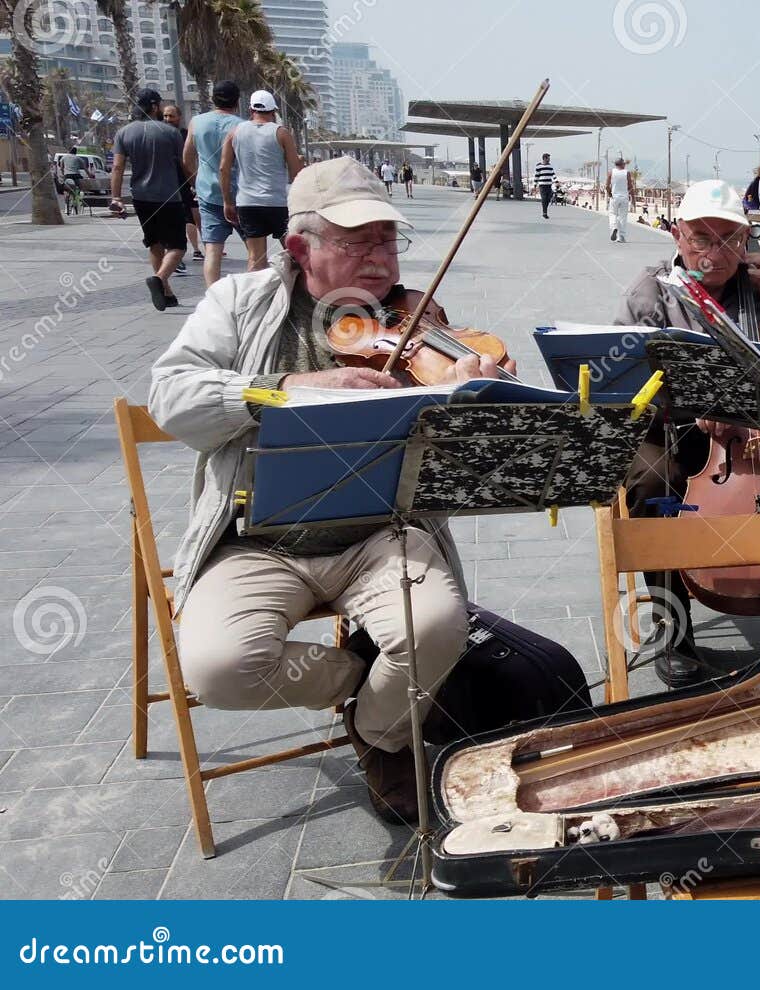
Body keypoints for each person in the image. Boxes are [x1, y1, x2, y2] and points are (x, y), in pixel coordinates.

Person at [147, 158, 506, 823]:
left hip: (380, 531)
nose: (380, 258)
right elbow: (170, 397)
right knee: (219, 668)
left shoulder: (416, 319)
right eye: (356, 241)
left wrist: (475, 398)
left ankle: (382, 733)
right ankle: (364, 689)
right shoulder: (239, 303)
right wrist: (282, 391)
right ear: (298, 248)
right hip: (258, 537)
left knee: (437, 625)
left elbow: (462, 467)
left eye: (388, 240)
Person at [613, 180, 760, 688]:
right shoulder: (650, 293)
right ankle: (674, 626)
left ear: (748, 240)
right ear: (676, 235)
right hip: (679, 432)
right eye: (701, 239)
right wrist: (689, 407)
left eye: (730, 241)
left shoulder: (759, 290)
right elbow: (623, 391)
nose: (715, 255)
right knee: (645, 477)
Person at [111, 88, 192, 312]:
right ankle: (160, 278)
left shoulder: (124, 133)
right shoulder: (170, 133)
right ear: (155, 107)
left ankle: (166, 292)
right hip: (169, 197)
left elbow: (117, 167)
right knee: (177, 246)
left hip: (141, 198)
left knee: (154, 243)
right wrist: (193, 184)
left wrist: (116, 197)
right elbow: (184, 164)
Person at [220, 90, 304, 272]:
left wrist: (227, 201)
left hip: (247, 203)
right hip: (277, 203)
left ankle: (254, 299)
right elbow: (295, 172)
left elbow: (223, 169)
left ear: (251, 109)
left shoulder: (235, 133)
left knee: (255, 259)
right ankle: (298, 295)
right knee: (296, 254)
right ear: (273, 111)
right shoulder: (281, 133)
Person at [185, 81, 243, 287]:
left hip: (208, 193)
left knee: (212, 250)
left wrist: (196, 182)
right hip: (239, 195)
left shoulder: (196, 122)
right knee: (255, 249)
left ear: (212, 99)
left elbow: (187, 158)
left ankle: (213, 297)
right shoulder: (241, 125)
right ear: (237, 101)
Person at [162, 103, 203, 273]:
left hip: (184, 182)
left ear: (179, 117)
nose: (168, 119)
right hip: (166, 185)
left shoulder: (185, 135)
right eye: (165, 116)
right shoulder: (160, 134)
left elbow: (191, 159)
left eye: (171, 116)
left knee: (190, 217)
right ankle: (173, 257)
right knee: (172, 220)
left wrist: (195, 181)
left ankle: (195, 250)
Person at [606, 157, 635, 242]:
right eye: (624, 163)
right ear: (622, 164)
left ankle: (614, 227)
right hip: (624, 198)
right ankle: (621, 236)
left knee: (612, 214)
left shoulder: (611, 172)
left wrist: (609, 194)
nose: (625, 165)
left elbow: (607, 186)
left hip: (614, 197)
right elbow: (630, 187)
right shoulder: (627, 173)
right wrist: (633, 199)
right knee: (623, 217)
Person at [534, 152, 556, 218]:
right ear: (544, 158)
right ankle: (544, 213)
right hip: (542, 185)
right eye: (548, 158)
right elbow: (536, 176)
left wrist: (556, 181)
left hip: (549, 185)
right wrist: (535, 184)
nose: (549, 160)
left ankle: (544, 210)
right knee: (544, 198)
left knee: (549, 198)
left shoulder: (550, 166)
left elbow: (553, 174)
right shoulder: (539, 166)